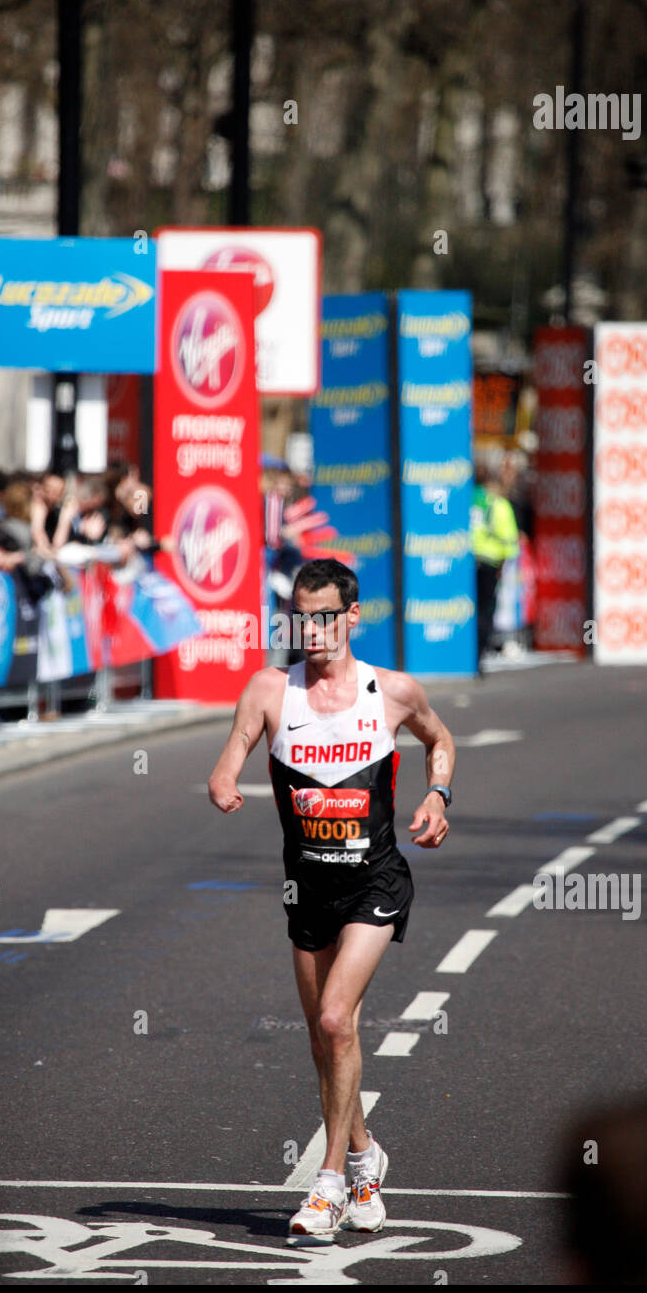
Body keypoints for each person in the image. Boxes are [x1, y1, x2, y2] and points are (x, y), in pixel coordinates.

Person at [207, 557, 456, 1244]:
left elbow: (440, 740)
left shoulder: (393, 691)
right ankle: (363, 1155)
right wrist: (223, 779)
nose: (310, 631)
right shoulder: (268, 690)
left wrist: (439, 795)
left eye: (324, 617)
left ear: (351, 617)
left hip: (374, 879)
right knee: (326, 1039)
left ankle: (325, 1184)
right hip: (306, 885)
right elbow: (231, 753)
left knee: (337, 1016)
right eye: (300, 616)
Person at [471, 454, 519, 670]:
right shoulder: (498, 505)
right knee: (485, 610)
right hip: (490, 562)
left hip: (466, 561)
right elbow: (509, 539)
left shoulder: (465, 500)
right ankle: (478, 654)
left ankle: (467, 652)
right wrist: (505, 561)